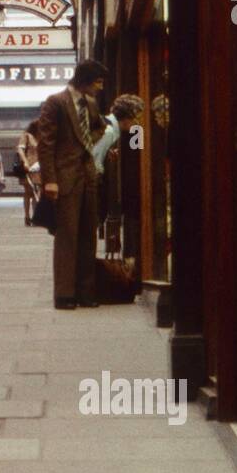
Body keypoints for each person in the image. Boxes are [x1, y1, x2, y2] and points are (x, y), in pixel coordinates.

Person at [37, 59, 107, 310]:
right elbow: (45, 144)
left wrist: (88, 144)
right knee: (67, 236)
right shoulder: (55, 102)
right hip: (65, 180)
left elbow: (99, 127)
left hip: (88, 177)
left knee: (89, 234)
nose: (100, 88)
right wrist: (50, 181)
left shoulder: (90, 103)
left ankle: (86, 292)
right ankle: (64, 294)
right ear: (85, 81)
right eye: (97, 82)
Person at [91, 94, 145, 174]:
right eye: (137, 118)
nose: (139, 123)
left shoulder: (107, 125)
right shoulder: (109, 132)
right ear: (127, 117)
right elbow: (94, 164)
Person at [16, 119, 41, 226]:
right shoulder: (26, 136)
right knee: (28, 192)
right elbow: (20, 149)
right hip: (29, 167)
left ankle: (35, 216)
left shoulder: (43, 136)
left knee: (37, 191)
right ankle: (27, 216)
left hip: (40, 167)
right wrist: (25, 162)